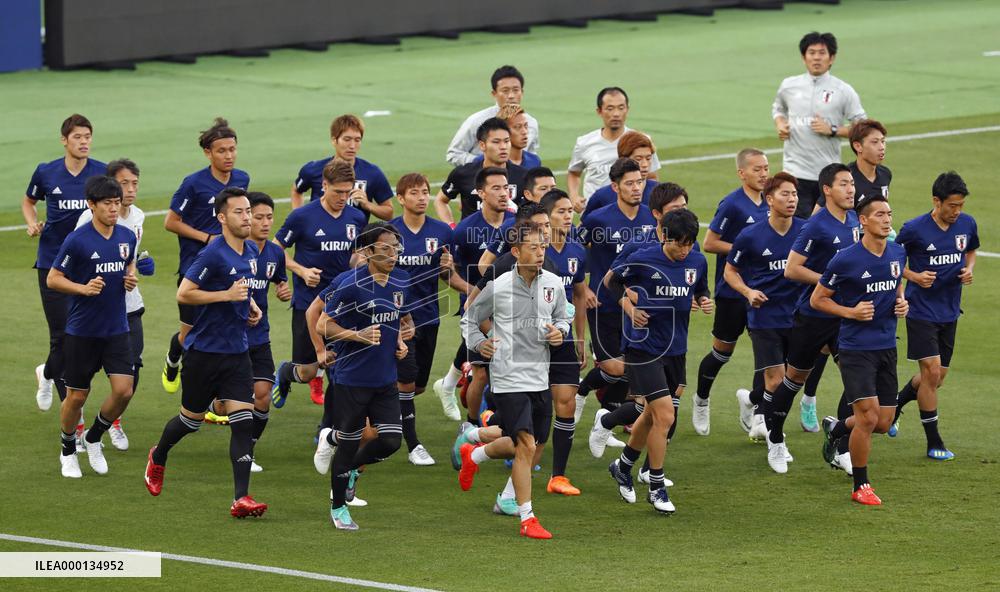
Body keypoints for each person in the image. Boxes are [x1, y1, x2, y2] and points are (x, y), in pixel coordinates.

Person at [144, 188, 268, 518]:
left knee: (243, 422)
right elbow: (184, 293)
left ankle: (241, 498)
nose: (247, 217)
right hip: (203, 354)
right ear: (222, 218)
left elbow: (241, 290)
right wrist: (226, 295)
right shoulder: (213, 254)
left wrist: (250, 304)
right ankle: (159, 454)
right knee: (189, 422)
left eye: (248, 212)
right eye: (240, 212)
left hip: (237, 354)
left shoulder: (251, 253)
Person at [458, 221, 570, 538]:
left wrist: (559, 332)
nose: (539, 253)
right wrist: (480, 344)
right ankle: (527, 518)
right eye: (532, 248)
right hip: (508, 378)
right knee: (525, 445)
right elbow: (469, 318)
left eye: (543, 247)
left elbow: (564, 316)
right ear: (516, 251)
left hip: (539, 377)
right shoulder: (499, 286)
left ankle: (474, 453)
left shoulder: (554, 283)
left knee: (530, 445)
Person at [601, 209, 712, 514]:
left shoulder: (697, 261)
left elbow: (700, 286)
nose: (685, 250)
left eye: (690, 243)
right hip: (643, 347)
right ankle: (656, 485)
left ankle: (623, 466)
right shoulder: (643, 257)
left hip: (675, 348)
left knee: (651, 414)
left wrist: (704, 299)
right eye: (680, 243)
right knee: (665, 415)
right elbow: (610, 281)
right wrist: (628, 307)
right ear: (665, 237)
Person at [316, 222, 413, 531]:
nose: (393, 254)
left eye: (396, 248)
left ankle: (352, 469)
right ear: (368, 252)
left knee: (391, 441)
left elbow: (395, 321)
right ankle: (338, 507)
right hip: (351, 379)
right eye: (385, 249)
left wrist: (399, 343)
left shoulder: (401, 281)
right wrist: (356, 335)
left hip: (384, 378)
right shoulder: (351, 284)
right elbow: (322, 324)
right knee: (348, 443)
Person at [762, 163, 859, 470]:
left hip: (846, 316)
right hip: (814, 316)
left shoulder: (856, 221)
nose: (851, 189)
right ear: (827, 190)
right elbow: (792, 269)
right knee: (794, 381)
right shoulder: (815, 226)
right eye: (844, 184)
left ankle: (841, 446)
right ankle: (775, 439)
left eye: (852, 184)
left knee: (856, 380)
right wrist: (827, 281)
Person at [813, 194, 907, 506]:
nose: (886, 218)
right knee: (867, 418)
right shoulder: (845, 260)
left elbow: (896, 286)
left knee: (882, 422)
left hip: (886, 346)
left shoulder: (898, 252)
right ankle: (860, 485)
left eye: (889, 213)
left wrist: (901, 302)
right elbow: (818, 299)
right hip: (855, 349)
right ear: (863, 220)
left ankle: (837, 428)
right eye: (879, 214)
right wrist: (851, 313)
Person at [48, 176, 137, 478]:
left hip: (116, 328)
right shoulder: (78, 239)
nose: (114, 208)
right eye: (107, 203)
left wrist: (130, 279)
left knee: (124, 391)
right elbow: (53, 278)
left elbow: (128, 266)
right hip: (83, 331)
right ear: (92, 205)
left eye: (117, 202)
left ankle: (95, 436)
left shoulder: (127, 236)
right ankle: (67, 450)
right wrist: (82, 289)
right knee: (76, 397)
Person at [722, 173, 805, 473]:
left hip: (799, 318)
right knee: (775, 379)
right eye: (785, 194)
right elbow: (730, 272)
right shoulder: (751, 236)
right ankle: (776, 441)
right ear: (769, 199)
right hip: (764, 317)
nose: (792, 199)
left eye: (794, 194)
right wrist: (747, 292)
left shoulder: (806, 231)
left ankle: (751, 400)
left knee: (792, 381)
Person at [892, 172, 978, 460]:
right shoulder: (914, 229)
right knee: (930, 373)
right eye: (952, 205)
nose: (957, 212)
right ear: (936, 201)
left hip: (950, 310)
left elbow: (972, 251)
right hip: (921, 311)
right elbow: (890, 260)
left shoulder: (966, 224)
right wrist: (914, 276)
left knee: (937, 378)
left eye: (960, 206)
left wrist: (969, 269)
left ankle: (894, 405)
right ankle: (934, 442)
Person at [24, 114, 107, 412]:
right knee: (63, 338)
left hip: (88, 267)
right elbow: (28, 201)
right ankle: (74, 417)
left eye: (87, 136)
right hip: (52, 265)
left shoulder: (101, 173)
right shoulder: (46, 173)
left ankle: (45, 373)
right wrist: (32, 223)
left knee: (86, 337)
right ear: (64, 140)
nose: (84, 142)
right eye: (77, 137)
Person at [162, 118, 250, 394]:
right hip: (196, 269)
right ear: (208, 153)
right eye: (222, 151)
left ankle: (216, 397)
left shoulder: (242, 179)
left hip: (229, 271)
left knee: (224, 331)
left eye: (232, 149)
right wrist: (207, 238)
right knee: (190, 335)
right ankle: (174, 356)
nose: (229, 156)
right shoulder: (193, 184)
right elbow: (171, 222)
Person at [271, 160, 367, 408]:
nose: (343, 198)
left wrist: (360, 262)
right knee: (308, 371)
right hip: (308, 301)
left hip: (343, 304)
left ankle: (330, 428)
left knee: (341, 368)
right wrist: (300, 270)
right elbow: (274, 250)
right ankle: (285, 373)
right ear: (324, 185)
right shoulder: (302, 216)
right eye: (338, 192)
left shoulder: (356, 217)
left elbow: (357, 254)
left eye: (347, 192)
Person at [390, 173, 471, 465]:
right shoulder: (390, 233)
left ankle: (375, 404)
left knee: (417, 386)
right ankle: (413, 445)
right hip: (397, 321)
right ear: (401, 198)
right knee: (407, 382)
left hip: (429, 317)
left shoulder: (441, 233)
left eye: (425, 192)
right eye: (414, 193)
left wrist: (472, 290)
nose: (422, 197)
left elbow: (448, 275)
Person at [74, 158, 152, 451]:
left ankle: (111, 424)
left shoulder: (139, 217)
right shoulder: (87, 221)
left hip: (130, 307)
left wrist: (139, 267)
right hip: (94, 311)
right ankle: (76, 428)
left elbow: (128, 256)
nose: (129, 190)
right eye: (123, 184)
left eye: (134, 183)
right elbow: (78, 262)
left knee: (131, 373)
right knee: (84, 376)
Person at [691, 148, 769, 436]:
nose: (763, 174)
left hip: (763, 291)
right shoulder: (733, 205)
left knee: (767, 353)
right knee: (722, 352)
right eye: (757, 169)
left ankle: (759, 413)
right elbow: (710, 243)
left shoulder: (769, 203)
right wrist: (746, 250)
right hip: (732, 291)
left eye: (766, 168)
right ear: (742, 173)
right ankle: (701, 398)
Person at [576, 158, 656, 434]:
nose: (637, 188)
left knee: (632, 367)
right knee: (614, 367)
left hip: (638, 308)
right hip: (602, 303)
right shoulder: (598, 219)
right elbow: (574, 249)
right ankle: (582, 390)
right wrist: (583, 287)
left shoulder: (650, 217)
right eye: (630, 183)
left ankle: (608, 419)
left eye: (640, 182)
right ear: (615, 186)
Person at [432, 167, 515, 422]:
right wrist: (477, 293)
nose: (504, 194)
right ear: (480, 193)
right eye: (496, 188)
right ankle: (470, 424)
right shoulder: (464, 230)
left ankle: (504, 424)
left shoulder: (517, 225)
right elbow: (449, 274)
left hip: (511, 309)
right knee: (481, 373)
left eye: (506, 188)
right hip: (477, 311)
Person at [772, 31, 867, 218]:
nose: (816, 57)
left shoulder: (843, 90)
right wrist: (780, 124)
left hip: (827, 175)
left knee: (826, 229)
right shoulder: (789, 85)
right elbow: (778, 108)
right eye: (811, 52)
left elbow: (863, 128)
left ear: (832, 58)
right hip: (795, 173)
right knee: (797, 229)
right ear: (803, 57)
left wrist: (832, 130)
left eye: (822, 53)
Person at [241, 192, 291, 471]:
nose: (263, 222)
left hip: (260, 335)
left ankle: (247, 451)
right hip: (229, 337)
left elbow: (278, 281)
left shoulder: (275, 253)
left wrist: (282, 290)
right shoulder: (232, 250)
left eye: (268, 217)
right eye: (257, 216)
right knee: (228, 404)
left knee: (262, 396)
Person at [567, 87, 661, 212]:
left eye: (621, 108)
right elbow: (574, 173)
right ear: (599, 111)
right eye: (610, 108)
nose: (616, 114)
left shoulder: (641, 141)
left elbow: (651, 177)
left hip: (630, 212)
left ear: (627, 109)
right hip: (595, 212)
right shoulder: (584, 143)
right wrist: (574, 197)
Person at [290, 114, 394, 222]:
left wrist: (367, 205)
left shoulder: (372, 173)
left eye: (357, 140)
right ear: (334, 140)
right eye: (347, 139)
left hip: (354, 237)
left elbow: (389, 213)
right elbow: (296, 190)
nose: (352, 146)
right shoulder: (313, 170)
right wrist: (299, 220)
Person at [435, 118, 526, 224]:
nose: (503, 147)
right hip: (471, 239)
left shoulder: (523, 176)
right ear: (482, 145)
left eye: (506, 141)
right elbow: (440, 201)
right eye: (496, 142)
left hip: (508, 239)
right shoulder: (463, 173)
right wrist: (451, 226)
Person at [446, 65, 539, 167]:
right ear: (494, 94)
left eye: (516, 90)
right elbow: (453, 154)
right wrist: (485, 163)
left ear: (522, 92)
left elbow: (531, 155)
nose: (511, 96)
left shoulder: (531, 123)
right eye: (505, 91)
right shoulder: (477, 121)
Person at [582, 130, 659, 217]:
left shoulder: (660, 193)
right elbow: (584, 227)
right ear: (623, 159)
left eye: (648, 158)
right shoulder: (602, 196)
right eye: (638, 159)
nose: (645, 164)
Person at [479, 103, 540, 170]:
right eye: (517, 127)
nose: (525, 132)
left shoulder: (534, 161)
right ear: (504, 130)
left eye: (526, 126)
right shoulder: (483, 162)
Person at [848, 119, 891, 205]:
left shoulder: (885, 174)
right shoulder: (845, 178)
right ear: (858, 146)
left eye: (883, 141)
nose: (882, 147)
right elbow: (818, 214)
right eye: (875, 142)